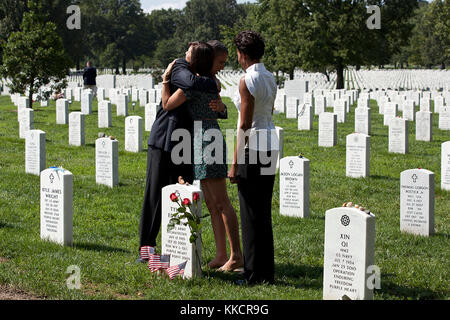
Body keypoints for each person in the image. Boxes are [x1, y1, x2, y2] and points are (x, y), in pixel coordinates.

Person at [137, 42, 226, 263]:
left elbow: (214, 104)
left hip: (187, 142)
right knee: (154, 196)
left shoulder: (203, 79)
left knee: (183, 193)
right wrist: (167, 80)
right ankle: (146, 249)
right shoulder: (179, 67)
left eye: (189, 52)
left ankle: (179, 249)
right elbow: (189, 84)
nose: (184, 54)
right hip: (164, 138)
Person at [162, 42, 243, 272]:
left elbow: (167, 104)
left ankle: (236, 256)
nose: (184, 58)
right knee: (211, 202)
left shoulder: (193, 86)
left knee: (221, 201)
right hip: (203, 138)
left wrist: (165, 81)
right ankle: (220, 255)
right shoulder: (209, 82)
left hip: (207, 140)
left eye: (189, 55)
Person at [229, 31, 278, 285]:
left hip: (253, 146)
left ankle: (251, 274)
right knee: (263, 210)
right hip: (271, 143)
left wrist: (235, 162)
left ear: (244, 54)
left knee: (249, 213)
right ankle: (266, 272)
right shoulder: (271, 78)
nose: (237, 58)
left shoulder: (246, 80)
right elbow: (268, 112)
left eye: (238, 53)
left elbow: (245, 124)